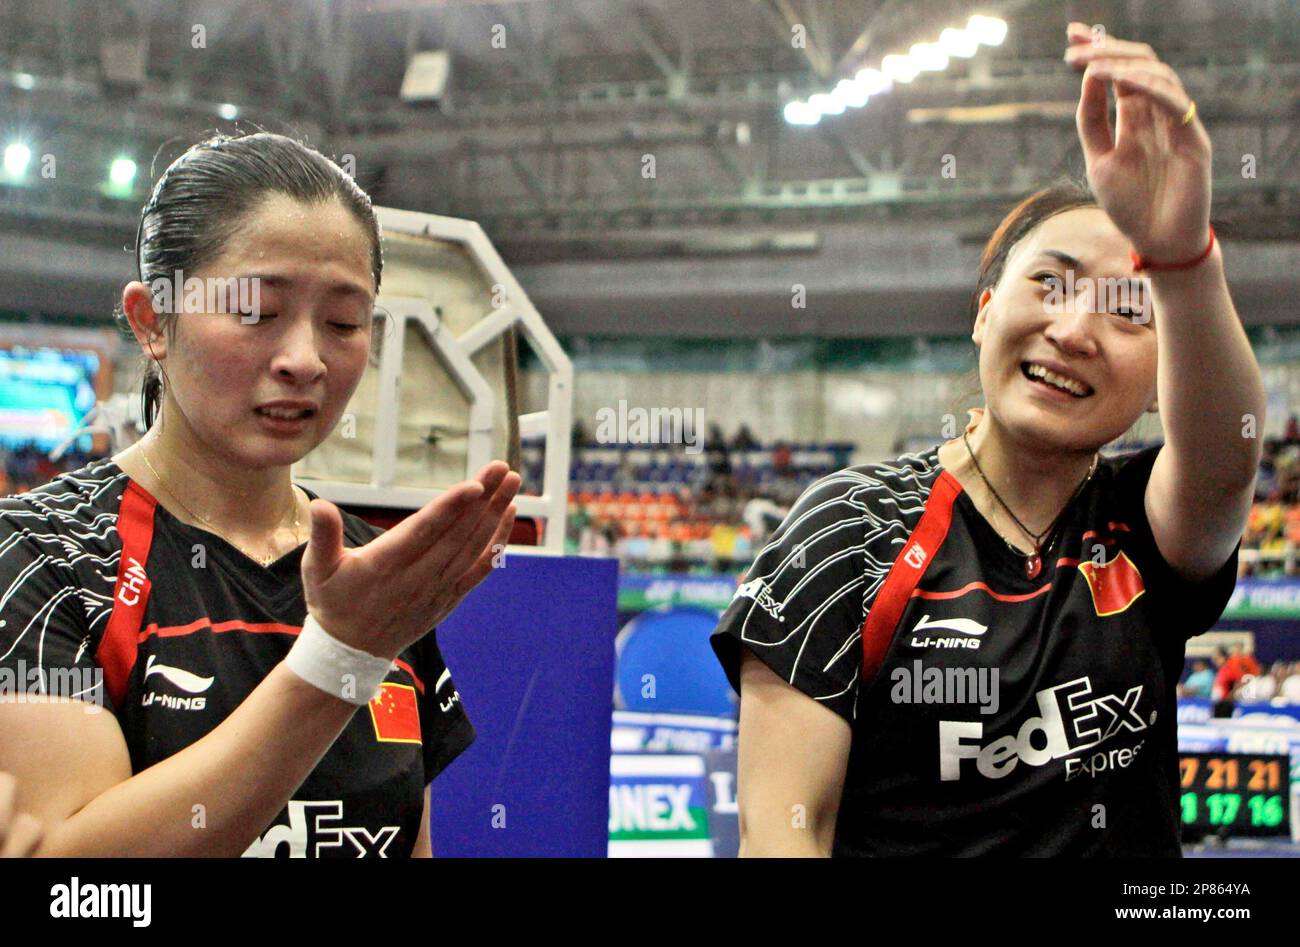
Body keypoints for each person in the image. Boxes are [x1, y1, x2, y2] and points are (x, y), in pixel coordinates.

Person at [711, 24, 1262, 856]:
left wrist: (1184, 258)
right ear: (984, 310)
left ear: (1160, 379)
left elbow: (1226, 459)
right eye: (1051, 282)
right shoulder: (848, 533)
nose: (1076, 331)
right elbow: (787, 830)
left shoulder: (1145, 528)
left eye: (1127, 310)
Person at [0, 132, 520, 857]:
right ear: (153, 320)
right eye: (256, 311)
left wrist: (359, 639)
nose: (305, 360)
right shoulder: (44, 556)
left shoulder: (377, 578)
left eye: (343, 323)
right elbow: (75, 887)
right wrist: (338, 659)